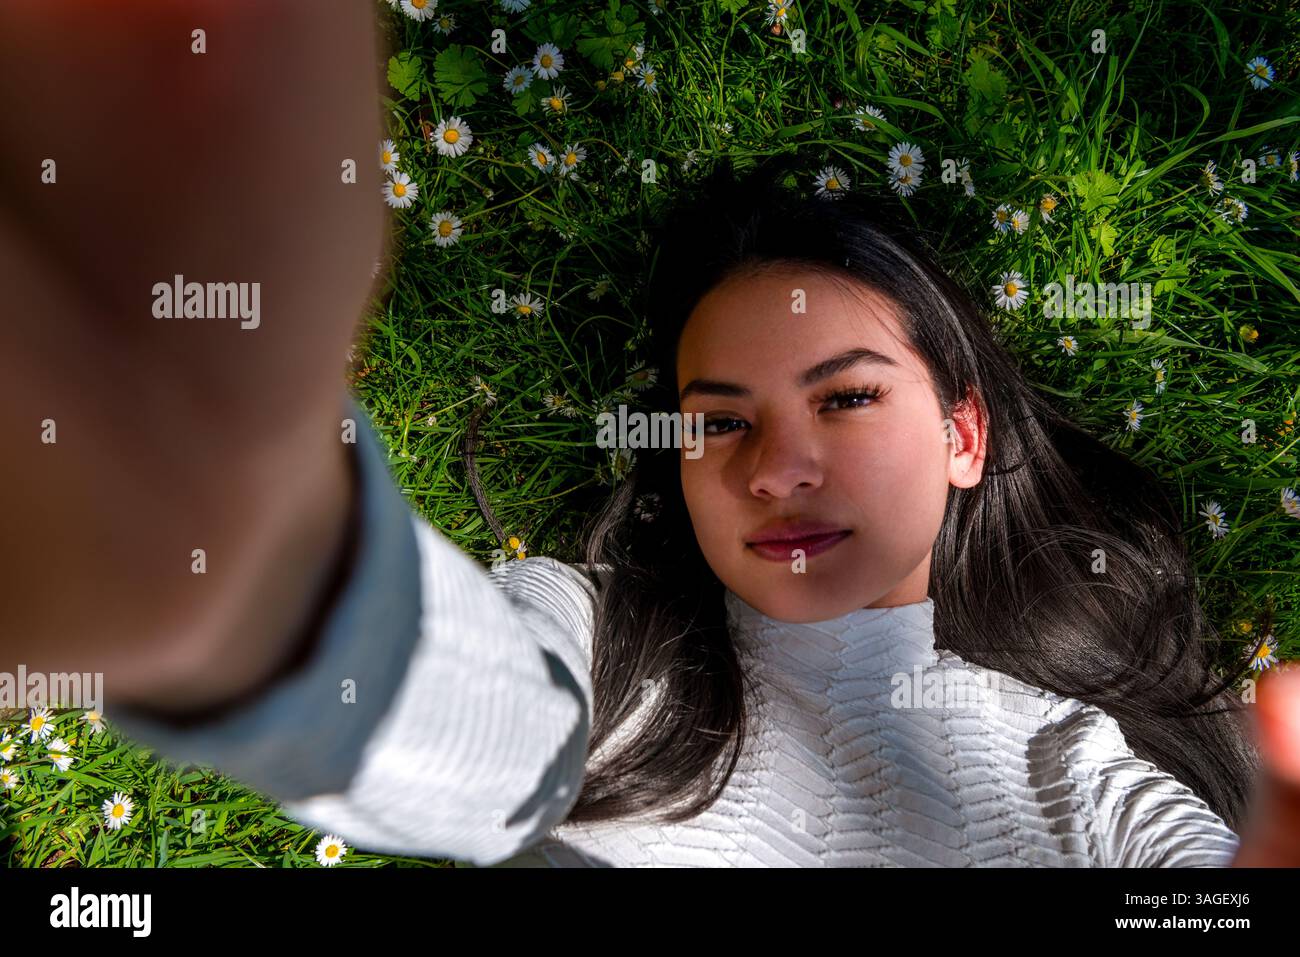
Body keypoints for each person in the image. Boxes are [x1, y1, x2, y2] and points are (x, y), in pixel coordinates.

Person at [2, 2, 1298, 868]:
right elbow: (485, 715)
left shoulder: (1084, 770)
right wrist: (263, 583)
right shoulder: (619, 668)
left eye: (846, 397)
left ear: (966, 434)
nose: (776, 464)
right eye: (715, 420)